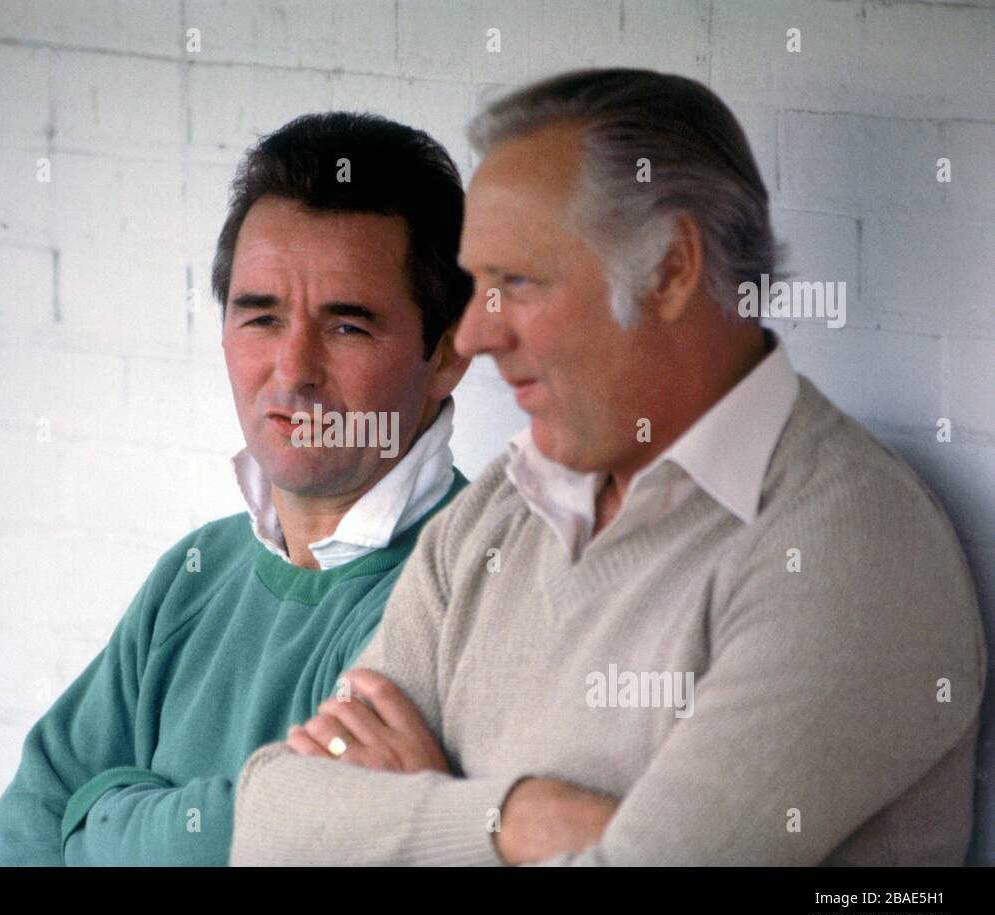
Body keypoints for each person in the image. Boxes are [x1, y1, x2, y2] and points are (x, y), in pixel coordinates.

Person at [230, 69, 987, 866]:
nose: (475, 339)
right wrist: (514, 822)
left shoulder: (846, 546)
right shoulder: (502, 507)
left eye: (516, 282)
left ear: (670, 269)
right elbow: (272, 822)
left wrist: (414, 817)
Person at [0, 111, 473, 865]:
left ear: (445, 355)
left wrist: (101, 818)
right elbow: (31, 819)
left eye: (347, 327)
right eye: (261, 317)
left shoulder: (465, 588)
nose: (293, 369)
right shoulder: (196, 571)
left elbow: (312, 835)